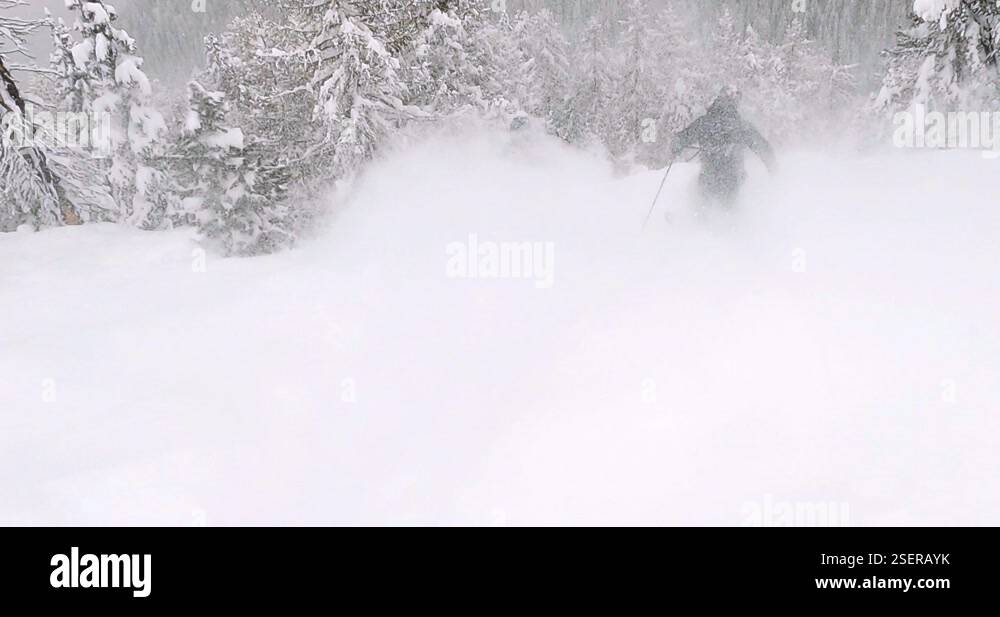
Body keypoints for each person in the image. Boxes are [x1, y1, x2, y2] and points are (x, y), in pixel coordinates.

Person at [669, 86, 777, 205]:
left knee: (703, 208)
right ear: (734, 103)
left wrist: (676, 146)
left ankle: (697, 220)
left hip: (707, 177)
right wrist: (772, 167)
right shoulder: (740, 125)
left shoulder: (703, 122)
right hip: (732, 179)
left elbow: (681, 138)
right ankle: (732, 222)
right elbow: (762, 146)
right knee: (730, 212)